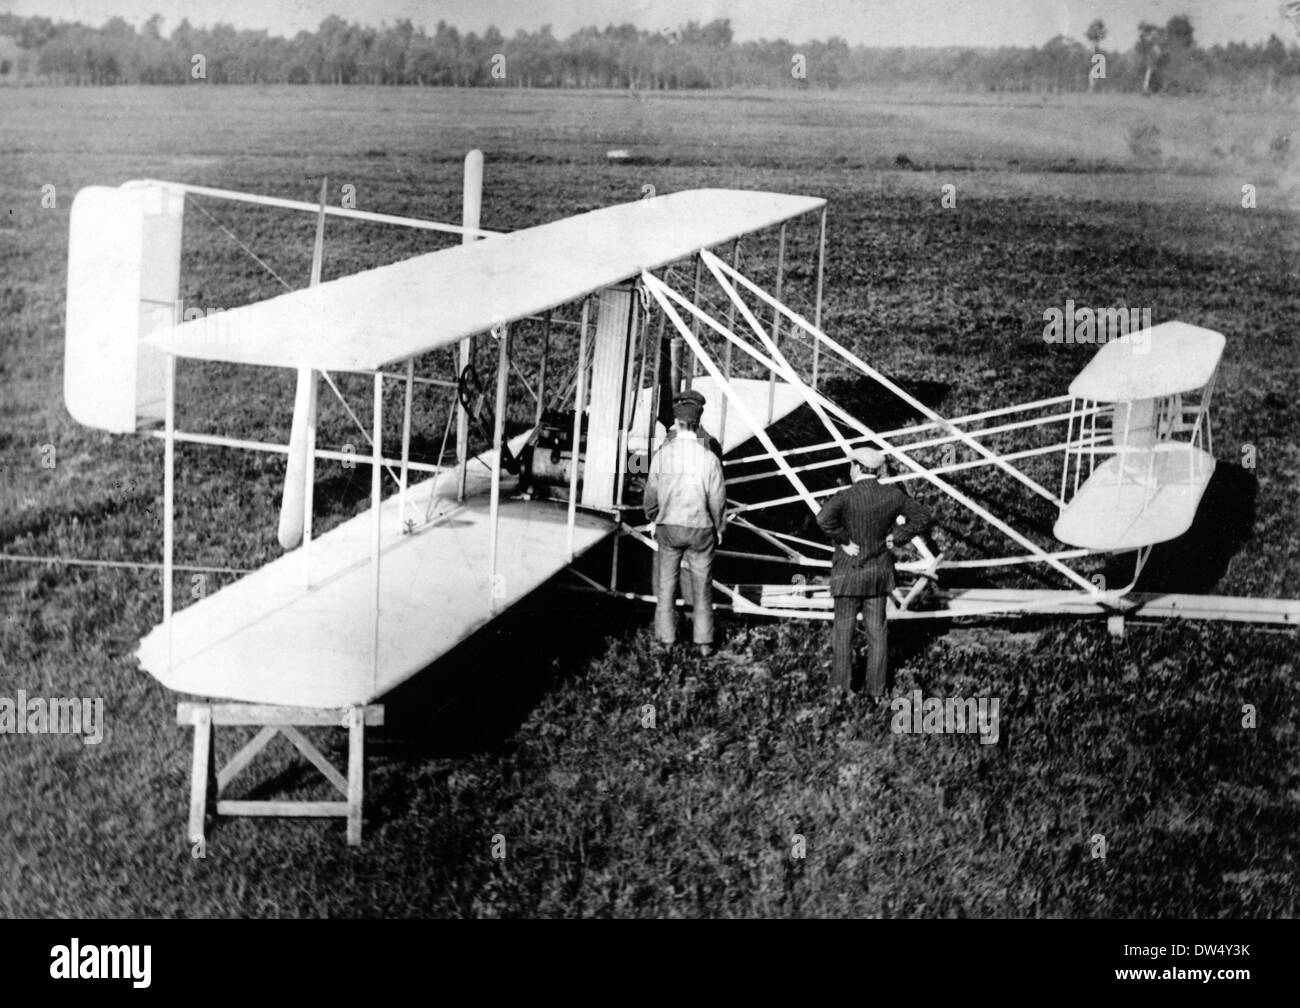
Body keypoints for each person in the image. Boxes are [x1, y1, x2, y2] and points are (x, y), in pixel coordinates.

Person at [816, 447, 930, 697]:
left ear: (855, 468)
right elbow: (922, 516)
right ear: (877, 470)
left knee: (843, 633)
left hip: (848, 574)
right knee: (877, 633)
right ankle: (876, 692)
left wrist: (844, 540)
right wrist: (897, 538)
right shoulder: (892, 496)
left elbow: (823, 519)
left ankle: (840, 691)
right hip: (878, 574)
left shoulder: (845, 496)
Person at [642, 388, 727, 658]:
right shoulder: (710, 458)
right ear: (698, 422)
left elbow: (650, 493)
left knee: (666, 585)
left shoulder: (662, 454)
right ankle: (704, 643)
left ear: (676, 423)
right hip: (701, 528)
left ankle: (666, 640)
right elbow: (718, 499)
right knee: (703, 586)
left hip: (669, 528)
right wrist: (719, 527)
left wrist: (654, 516)